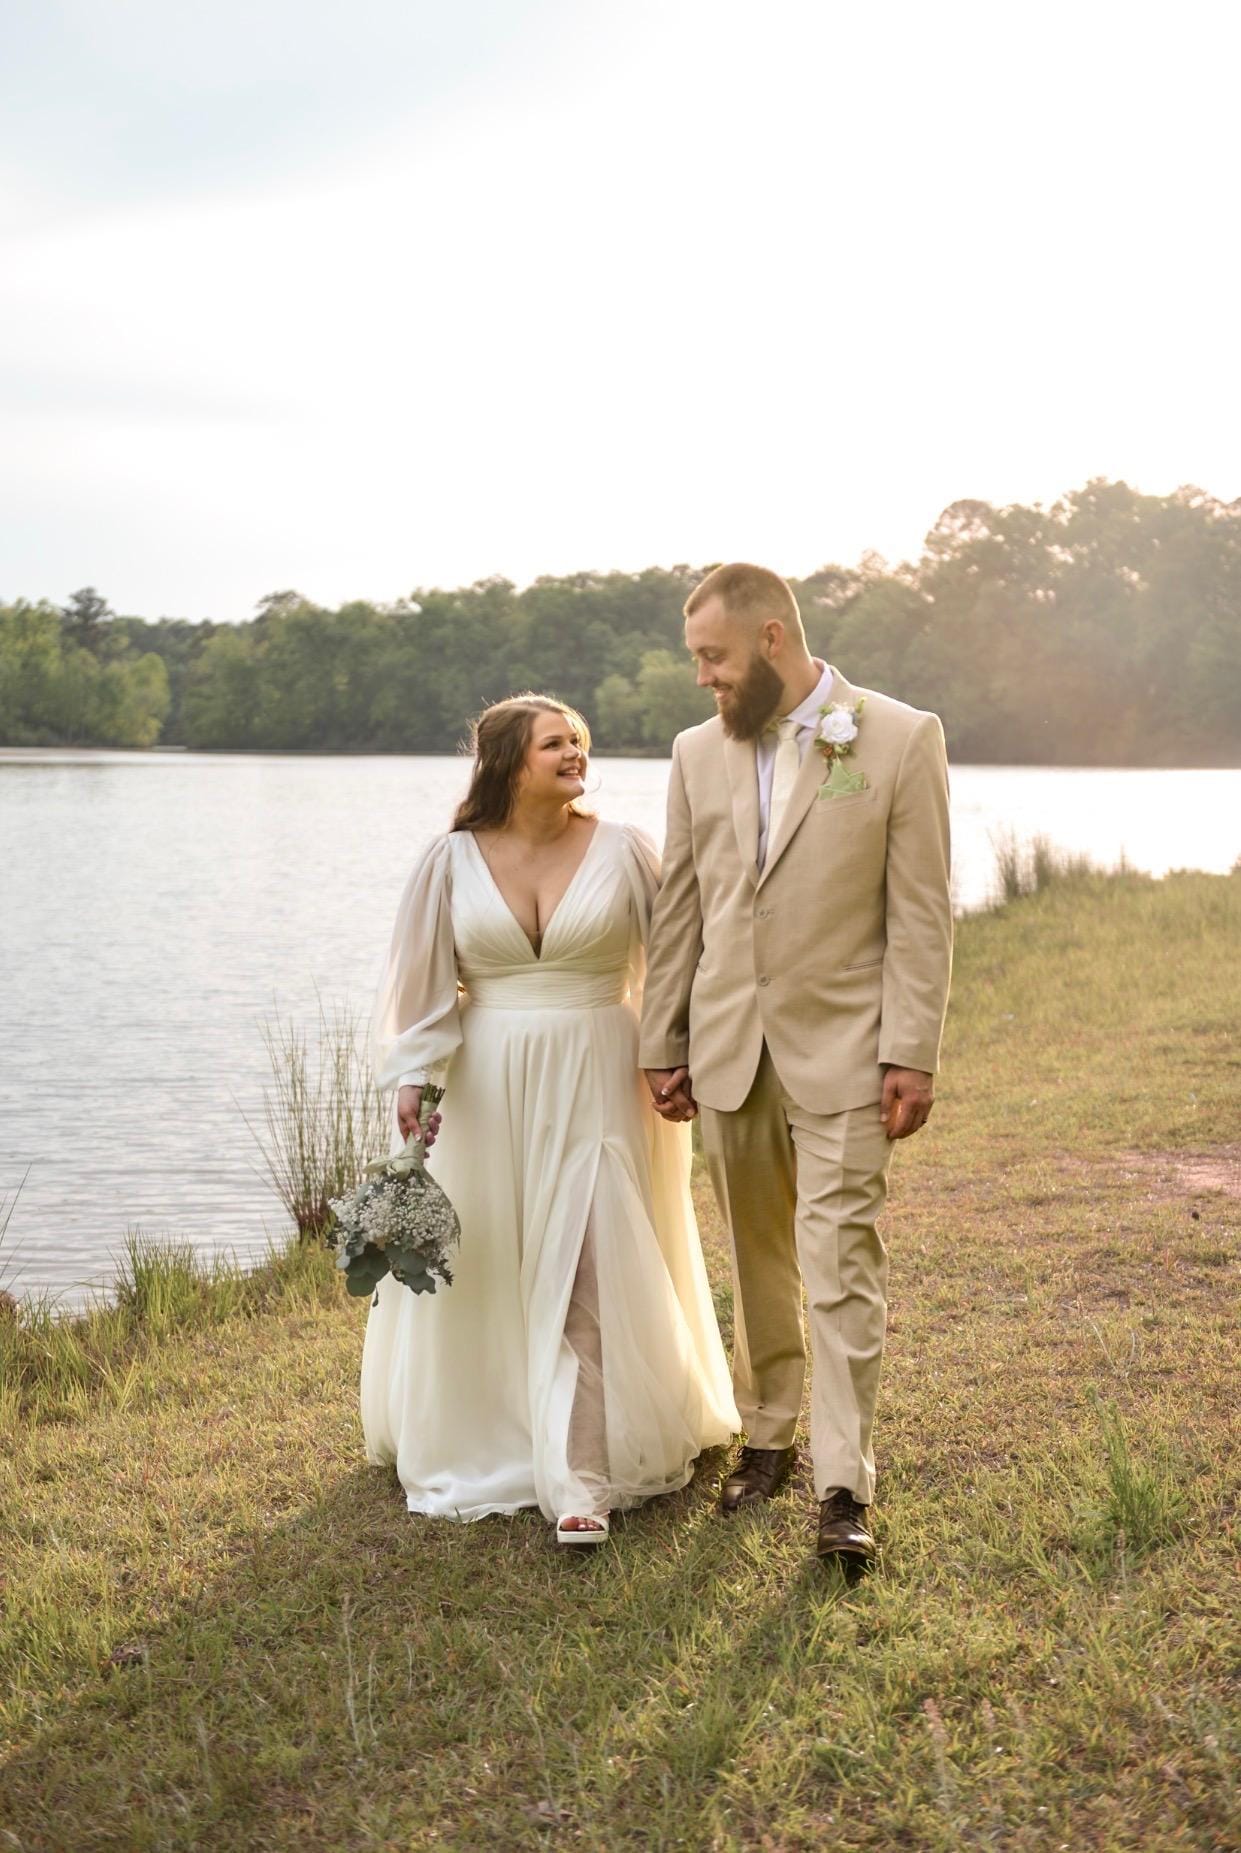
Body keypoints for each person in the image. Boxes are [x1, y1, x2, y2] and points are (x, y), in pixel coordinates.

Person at [361, 694, 738, 1545]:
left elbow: (677, 964)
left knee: (589, 1261)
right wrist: (415, 1076)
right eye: (554, 743)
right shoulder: (449, 861)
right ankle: (496, 1431)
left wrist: (674, 1053)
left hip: (600, 1069)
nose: (575, 754)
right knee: (493, 1260)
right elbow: (425, 986)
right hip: (486, 1081)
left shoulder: (624, 850)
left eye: (578, 741)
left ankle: (582, 1475)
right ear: (507, 762)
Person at [639, 564, 952, 1568]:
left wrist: (910, 1049)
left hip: (849, 1049)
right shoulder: (695, 752)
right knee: (756, 1255)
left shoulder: (899, 736)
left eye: (714, 657)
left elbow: (920, 912)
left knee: (840, 1259)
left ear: (771, 638)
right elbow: (680, 906)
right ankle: (767, 1434)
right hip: (728, 1045)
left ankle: (842, 1483)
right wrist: (663, 1040)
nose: (703, 677)